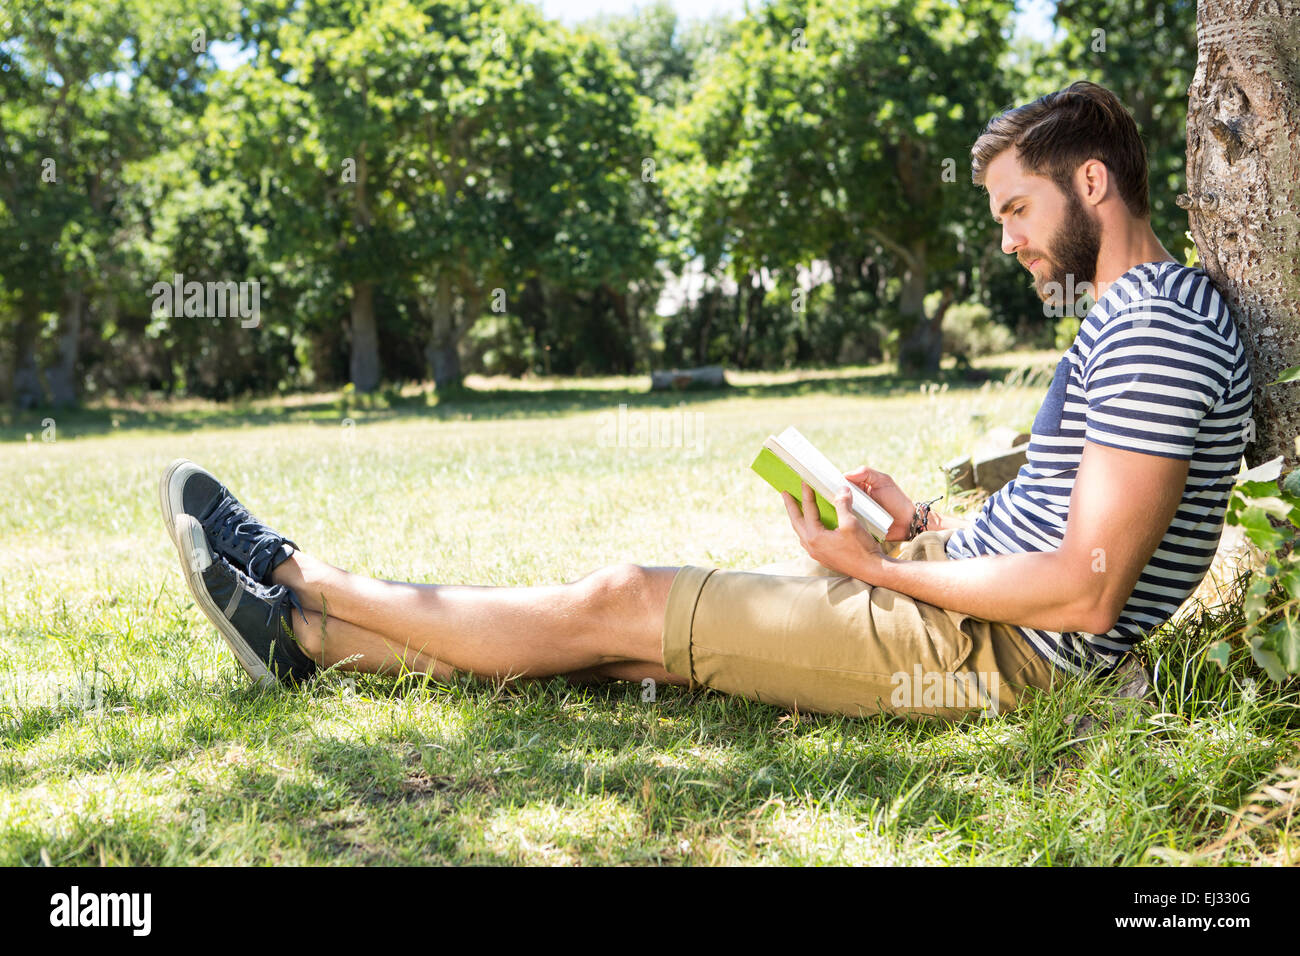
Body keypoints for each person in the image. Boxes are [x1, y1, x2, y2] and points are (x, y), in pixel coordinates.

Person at [159, 80, 1252, 721]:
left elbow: (1085, 588)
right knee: (624, 642)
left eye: (1018, 207)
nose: (1008, 238)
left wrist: (872, 566)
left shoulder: (1157, 320)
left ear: (1092, 184)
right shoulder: (1135, 315)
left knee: (630, 598)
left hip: (990, 657)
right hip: (959, 608)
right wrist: (916, 526)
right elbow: (1065, 538)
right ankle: (304, 635)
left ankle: (295, 570)